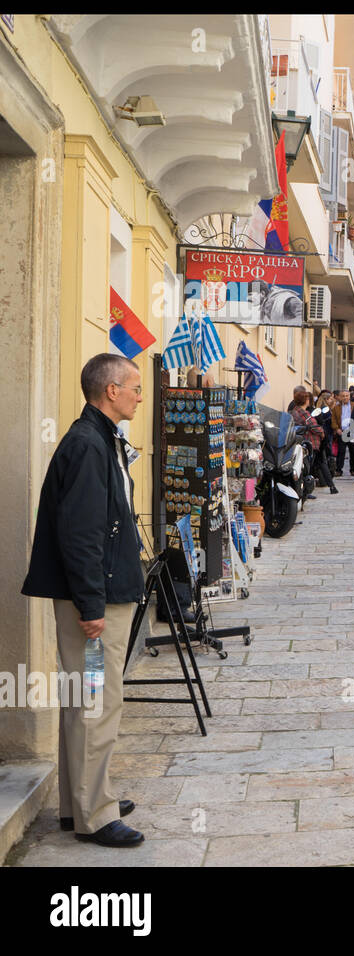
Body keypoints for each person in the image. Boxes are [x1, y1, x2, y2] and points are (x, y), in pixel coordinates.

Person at [21, 353, 147, 847]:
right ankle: (96, 812)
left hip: (97, 595)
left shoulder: (97, 438)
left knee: (83, 699)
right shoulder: (89, 444)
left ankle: (81, 803)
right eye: (134, 387)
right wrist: (92, 606)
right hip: (95, 603)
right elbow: (82, 535)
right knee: (96, 700)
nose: (140, 395)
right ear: (110, 390)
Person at [290, 387, 334, 497]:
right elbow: (313, 426)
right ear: (306, 401)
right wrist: (322, 432)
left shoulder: (294, 411)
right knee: (306, 468)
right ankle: (305, 492)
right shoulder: (304, 413)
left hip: (300, 442)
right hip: (308, 443)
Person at [333, 389, 354, 477]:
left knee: (353, 452)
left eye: (346, 396)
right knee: (341, 452)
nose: (345, 397)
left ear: (349, 396)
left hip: (351, 431)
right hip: (342, 432)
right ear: (340, 397)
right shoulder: (336, 408)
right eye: (343, 396)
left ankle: (353, 470)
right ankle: (339, 470)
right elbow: (333, 421)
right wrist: (337, 429)